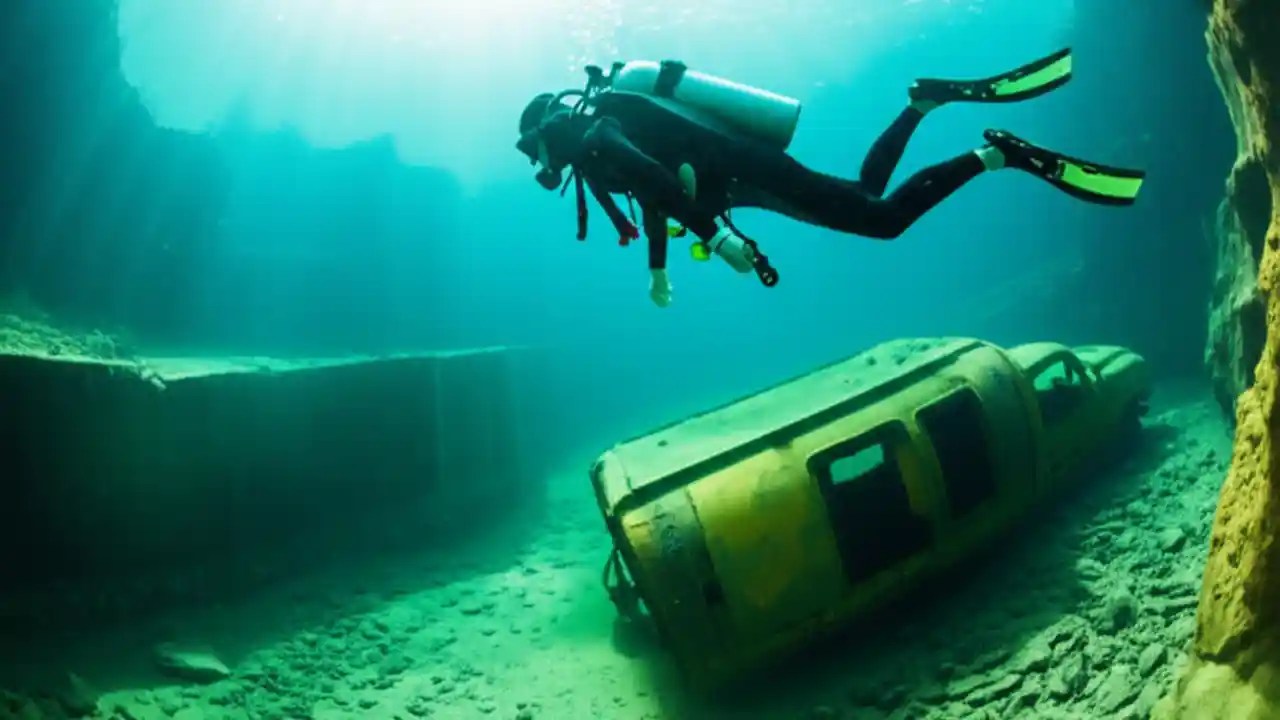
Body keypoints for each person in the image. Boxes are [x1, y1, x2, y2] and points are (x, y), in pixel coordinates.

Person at [515, 48, 1146, 308]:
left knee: (883, 221)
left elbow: (651, 176)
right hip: (743, 175)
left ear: (548, 130)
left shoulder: (594, 135)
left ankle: (999, 155)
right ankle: (922, 104)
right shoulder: (602, 137)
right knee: (865, 198)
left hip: (745, 169)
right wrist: (659, 268)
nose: (538, 165)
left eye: (532, 150)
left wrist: (722, 239)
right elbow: (652, 190)